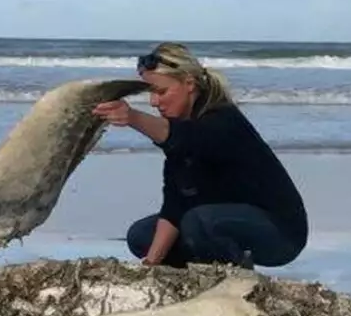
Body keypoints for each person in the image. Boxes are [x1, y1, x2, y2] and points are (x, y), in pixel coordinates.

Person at [91, 42, 308, 269]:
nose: (154, 102)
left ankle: (238, 278)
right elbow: (175, 204)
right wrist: (150, 263)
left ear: (189, 84)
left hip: (280, 233)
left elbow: (183, 136)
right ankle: (193, 276)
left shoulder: (222, 119)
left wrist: (133, 117)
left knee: (199, 222)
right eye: (150, 94)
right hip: (217, 220)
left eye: (161, 92)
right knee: (141, 235)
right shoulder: (182, 131)